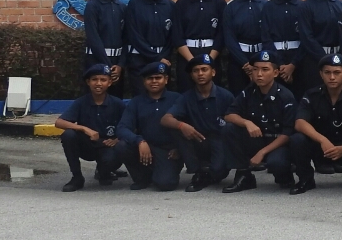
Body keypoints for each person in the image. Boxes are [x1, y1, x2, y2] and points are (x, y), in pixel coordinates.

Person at [221, 50, 297, 193]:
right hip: (257, 139)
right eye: (255, 69)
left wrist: (262, 153)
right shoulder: (249, 92)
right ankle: (244, 175)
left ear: (275, 73)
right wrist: (246, 123)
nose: (259, 74)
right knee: (229, 128)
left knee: (277, 163)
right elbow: (229, 115)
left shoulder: (286, 96)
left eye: (265, 69)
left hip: (277, 144)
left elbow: (287, 134)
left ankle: (285, 176)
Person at [291, 53, 342, 195]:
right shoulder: (311, 95)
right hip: (321, 147)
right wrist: (322, 140)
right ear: (321, 74)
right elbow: (300, 122)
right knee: (297, 139)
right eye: (327, 73)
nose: (332, 77)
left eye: (336, 73)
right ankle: (306, 179)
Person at [161, 58, 234, 192]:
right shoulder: (186, 97)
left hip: (219, 140)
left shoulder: (225, 96)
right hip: (197, 139)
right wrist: (182, 126)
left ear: (213, 72)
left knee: (218, 172)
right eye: (196, 71)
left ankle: (211, 171)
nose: (200, 74)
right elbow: (165, 119)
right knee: (176, 128)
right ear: (191, 75)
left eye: (204, 69)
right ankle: (198, 172)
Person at [54, 62, 125, 191]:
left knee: (115, 155)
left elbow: (129, 126)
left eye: (103, 80)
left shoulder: (117, 104)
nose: (98, 83)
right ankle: (77, 177)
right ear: (88, 82)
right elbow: (59, 122)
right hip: (88, 145)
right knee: (68, 135)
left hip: (107, 145)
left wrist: (118, 139)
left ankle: (104, 172)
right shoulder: (81, 102)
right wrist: (83, 128)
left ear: (109, 83)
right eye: (94, 80)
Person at [117, 61, 183, 191]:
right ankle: (141, 178)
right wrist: (140, 141)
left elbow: (188, 126)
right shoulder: (136, 102)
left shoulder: (177, 99)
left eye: (158, 78)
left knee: (165, 184)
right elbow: (122, 128)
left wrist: (180, 148)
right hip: (145, 147)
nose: (154, 81)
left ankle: (161, 174)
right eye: (149, 78)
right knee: (122, 146)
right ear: (144, 81)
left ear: (166, 79)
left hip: (169, 151)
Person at [173, 0, 227, 91]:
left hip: (212, 55)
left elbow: (222, 34)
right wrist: (192, 62)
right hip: (187, 56)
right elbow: (177, 35)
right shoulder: (181, 4)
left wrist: (209, 60)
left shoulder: (219, 3)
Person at [298, 0, 342, 94]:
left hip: (339, 59)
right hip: (315, 61)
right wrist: (324, 59)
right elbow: (307, 37)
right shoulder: (306, 7)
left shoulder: (341, 5)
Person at [222, 0, 268, 95]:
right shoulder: (231, 7)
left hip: (262, 58)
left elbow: (269, 36)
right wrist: (245, 65)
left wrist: (260, 63)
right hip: (238, 61)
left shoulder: (266, 6)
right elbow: (229, 38)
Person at [82, 0, 127, 91]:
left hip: (117, 64)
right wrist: (107, 67)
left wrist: (120, 66)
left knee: (116, 102)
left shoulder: (122, 7)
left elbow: (126, 39)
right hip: (96, 61)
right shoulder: (93, 6)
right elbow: (93, 38)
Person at [124, 0, 173, 82]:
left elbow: (172, 37)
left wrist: (163, 57)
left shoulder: (170, 6)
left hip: (163, 61)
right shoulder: (134, 4)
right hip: (139, 61)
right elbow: (134, 35)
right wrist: (156, 57)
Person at [263, 0, 304, 93]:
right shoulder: (268, 7)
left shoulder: (303, 7)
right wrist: (280, 65)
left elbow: (307, 38)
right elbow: (266, 37)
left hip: (299, 61)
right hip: (275, 60)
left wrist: (293, 65)